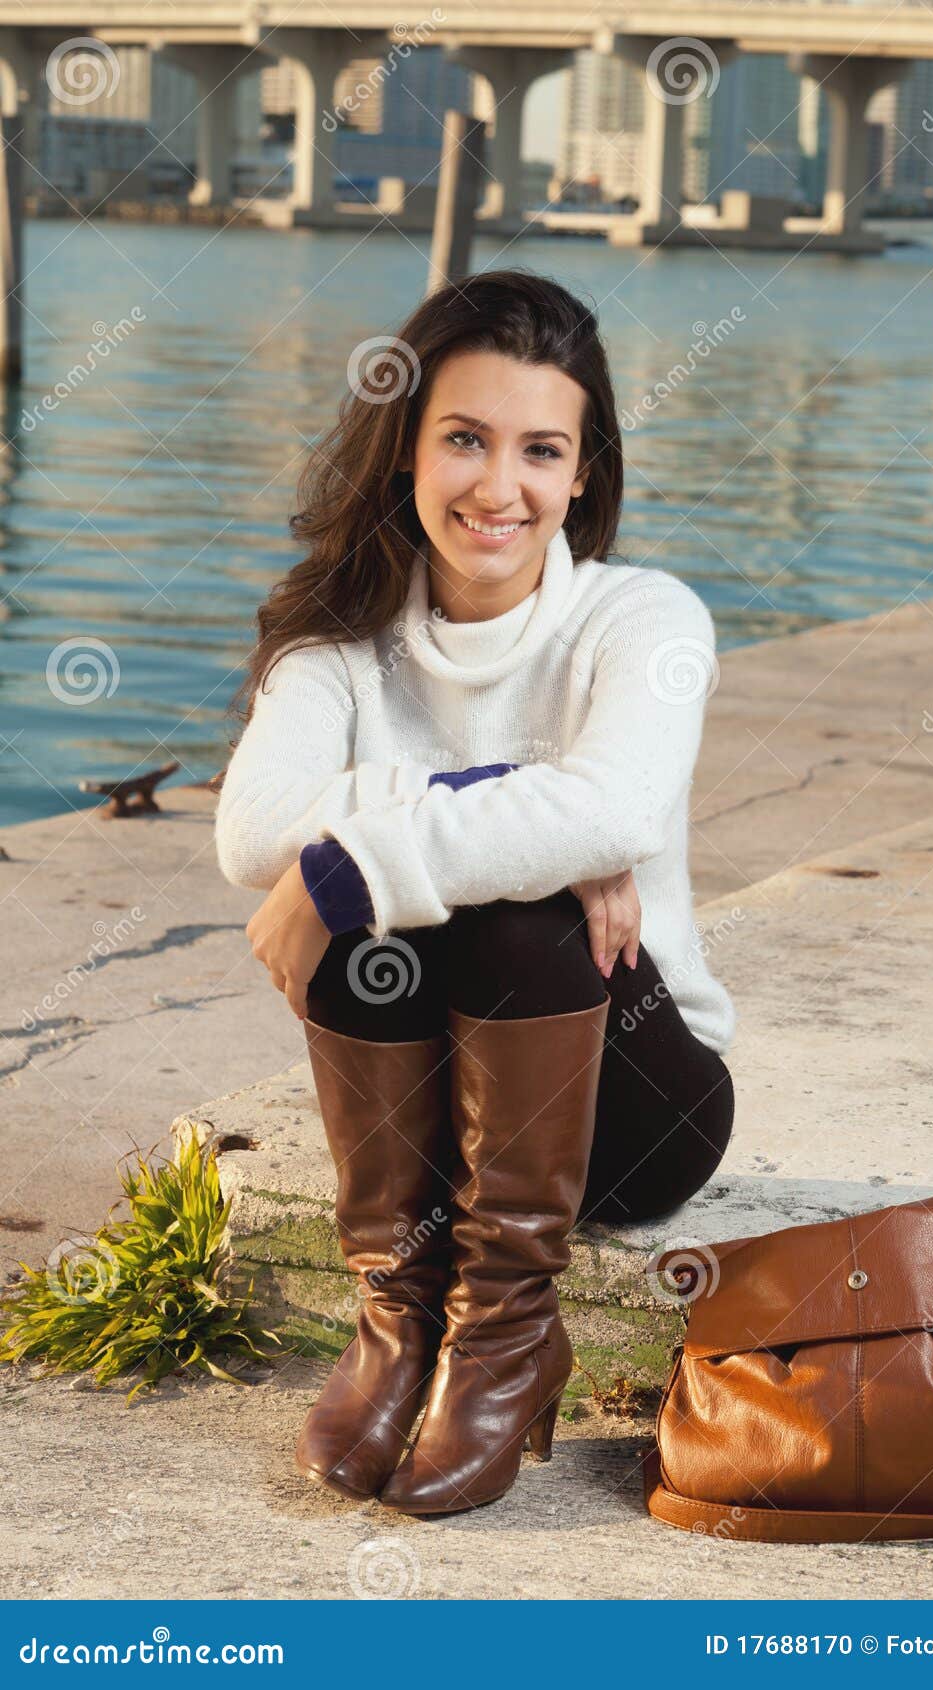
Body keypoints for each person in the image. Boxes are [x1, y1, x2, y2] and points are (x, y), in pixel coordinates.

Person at [214, 268, 735, 1518]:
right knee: (376, 904)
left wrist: (357, 850)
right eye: (464, 439)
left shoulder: (643, 621)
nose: (498, 486)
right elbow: (248, 837)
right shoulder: (337, 639)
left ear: (579, 474)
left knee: (488, 903)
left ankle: (504, 1335)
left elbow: (609, 809)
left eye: (539, 451)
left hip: (632, 1096)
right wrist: (507, 798)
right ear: (406, 452)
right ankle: (399, 1321)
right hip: (436, 1123)